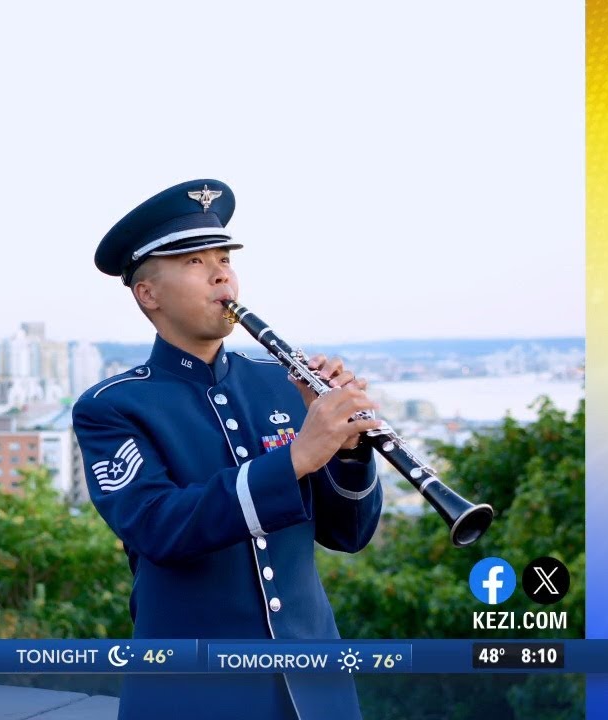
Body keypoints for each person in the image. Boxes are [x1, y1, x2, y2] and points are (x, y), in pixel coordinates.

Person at [73, 179, 384, 719]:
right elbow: (159, 527)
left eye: (223, 258)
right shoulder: (113, 406)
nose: (221, 272)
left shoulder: (282, 380)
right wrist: (296, 458)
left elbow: (348, 534)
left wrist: (350, 449)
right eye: (195, 262)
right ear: (148, 294)